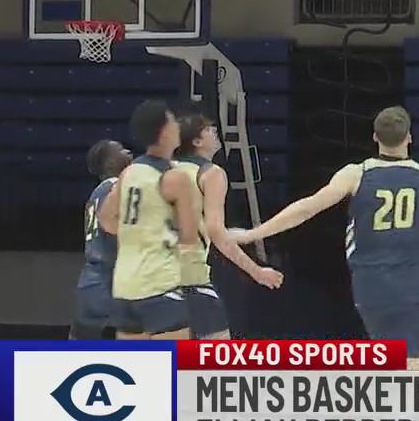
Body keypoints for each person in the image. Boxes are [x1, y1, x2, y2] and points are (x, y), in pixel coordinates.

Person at [235, 106, 419, 369]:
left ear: (375, 137)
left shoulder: (355, 174)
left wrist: (254, 233)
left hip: (369, 285)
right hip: (414, 286)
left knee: (389, 362)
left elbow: (306, 208)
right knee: (414, 368)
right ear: (409, 136)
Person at [174, 113, 283, 339]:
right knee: (218, 358)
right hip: (189, 275)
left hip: (151, 278)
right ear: (196, 141)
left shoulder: (163, 170)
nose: (215, 132)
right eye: (208, 130)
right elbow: (215, 231)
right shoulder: (210, 173)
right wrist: (256, 271)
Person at [99, 100, 200, 340]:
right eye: (173, 121)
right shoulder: (175, 178)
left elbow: (106, 219)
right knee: (172, 370)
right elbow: (189, 235)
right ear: (164, 132)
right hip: (159, 284)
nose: (178, 125)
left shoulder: (129, 172)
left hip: (124, 285)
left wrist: (137, 233)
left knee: (133, 372)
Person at [71, 140, 133, 340]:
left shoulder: (95, 193)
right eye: (121, 150)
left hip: (90, 278)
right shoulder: (117, 187)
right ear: (109, 164)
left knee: (79, 341)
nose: (128, 152)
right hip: (110, 276)